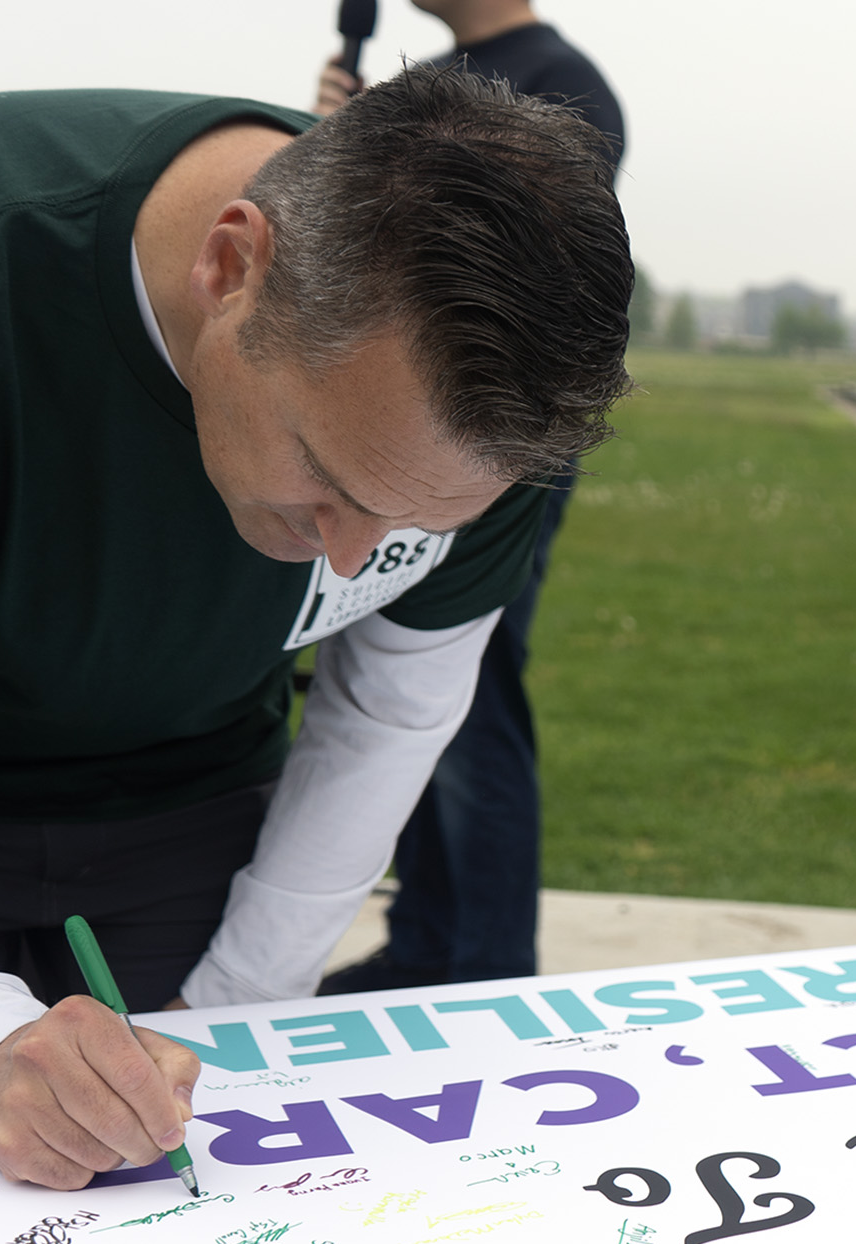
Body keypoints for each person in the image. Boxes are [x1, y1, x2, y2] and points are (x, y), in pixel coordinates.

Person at [0, 67, 632, 1189]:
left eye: (421, 523)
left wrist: (236, 1000)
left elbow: (389, 714)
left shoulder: (498, 393)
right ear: (230, 267)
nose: (352, 561)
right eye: (326, 476)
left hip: (196, 810)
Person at [314, 0, 626, 991]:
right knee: (405, 684)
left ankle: (485, 961)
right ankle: (427, 940)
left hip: (484, 440)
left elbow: (502, 269)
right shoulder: (439, 78)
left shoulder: (563, 85)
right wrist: (335, 151)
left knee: (473, 689)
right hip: (415, 431)